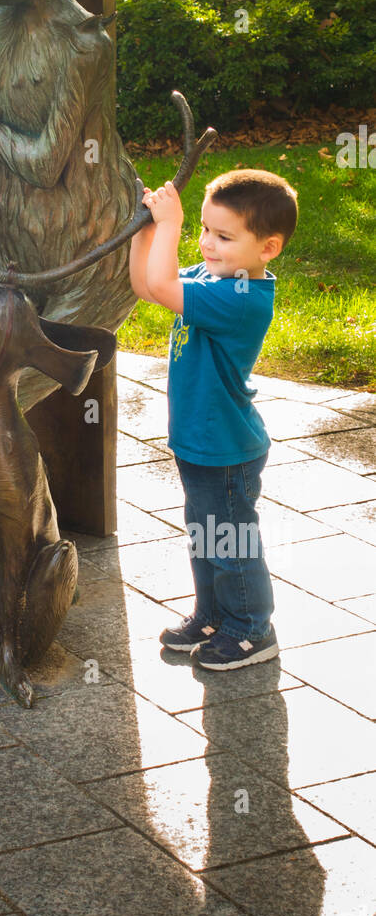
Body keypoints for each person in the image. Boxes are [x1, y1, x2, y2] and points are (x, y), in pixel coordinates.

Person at [128, 168, 299, 670]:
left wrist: (170, 225)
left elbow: (161, 282)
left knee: (231, 540)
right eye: (203, 229)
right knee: (206, 535)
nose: (206, 244)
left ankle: (251, 627)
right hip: (198, 440)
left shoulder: (240, 299)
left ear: (267, 248)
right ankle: (212, 615)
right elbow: (146, 285)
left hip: (224, 445)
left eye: (223, 236)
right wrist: (146, 234)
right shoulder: (213, 279)